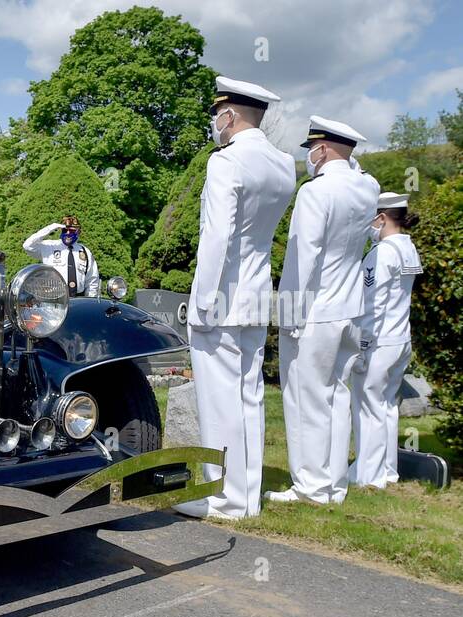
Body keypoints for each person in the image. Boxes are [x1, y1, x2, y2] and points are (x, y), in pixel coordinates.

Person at [174, 77, 295, 521]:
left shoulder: (226, 162)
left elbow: (217, 235)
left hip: (222, 295)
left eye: (216, 114)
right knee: (249, 396)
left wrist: (203, 298)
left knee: (220, 397)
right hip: (257, 293)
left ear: (228, 115)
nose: (214, 123)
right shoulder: (285, 164)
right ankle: (245, 495)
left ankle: (224, 498)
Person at [270, 116, 379, 506]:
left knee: (306, 397)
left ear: (321, 148)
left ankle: (311, 486)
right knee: (335, 395)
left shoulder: (316, 191)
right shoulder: (368, 187)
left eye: (311, 149)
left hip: (316, 309)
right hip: (351, 307)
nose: (309, 157)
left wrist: (290, 313)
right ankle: (333, 485)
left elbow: (304, 258)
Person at [348, 191, 422, 488]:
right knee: (386, 407)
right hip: (400, 338)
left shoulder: (381, 253)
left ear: (381, 218)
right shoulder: (409, 248)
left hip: (379, 340)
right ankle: (388, 471)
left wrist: (362, 345)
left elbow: (371, 304)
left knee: (368, 408)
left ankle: (368, 475)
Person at [22, 215, 99, 298]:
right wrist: (50, 228)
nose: (68, 233)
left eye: (72, 231)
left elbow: (92, 279)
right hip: (53, 299)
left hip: (78, 299)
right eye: (65, 230)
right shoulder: (49, 246)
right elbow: (27, 246)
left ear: (78, 232)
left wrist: (90, 300)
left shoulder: (84, 251)